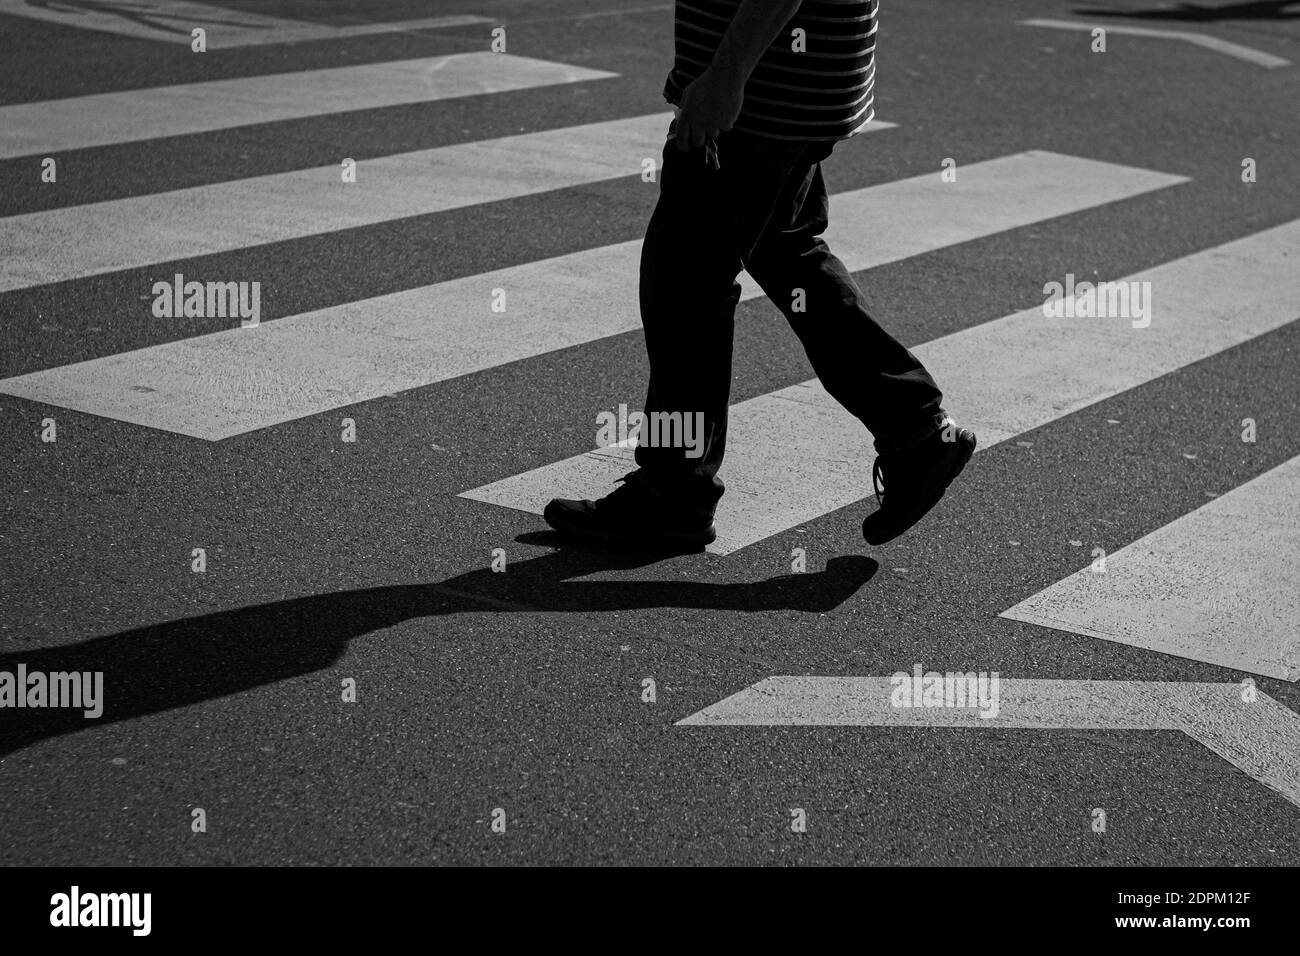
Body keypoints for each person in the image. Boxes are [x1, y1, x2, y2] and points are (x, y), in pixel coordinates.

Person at [545, 0, 975, 549]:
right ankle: (915, 431)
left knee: (683, 283)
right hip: (797, 78)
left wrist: (727, 75)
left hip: (766, 87)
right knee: (782, 249)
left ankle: (673, 493)